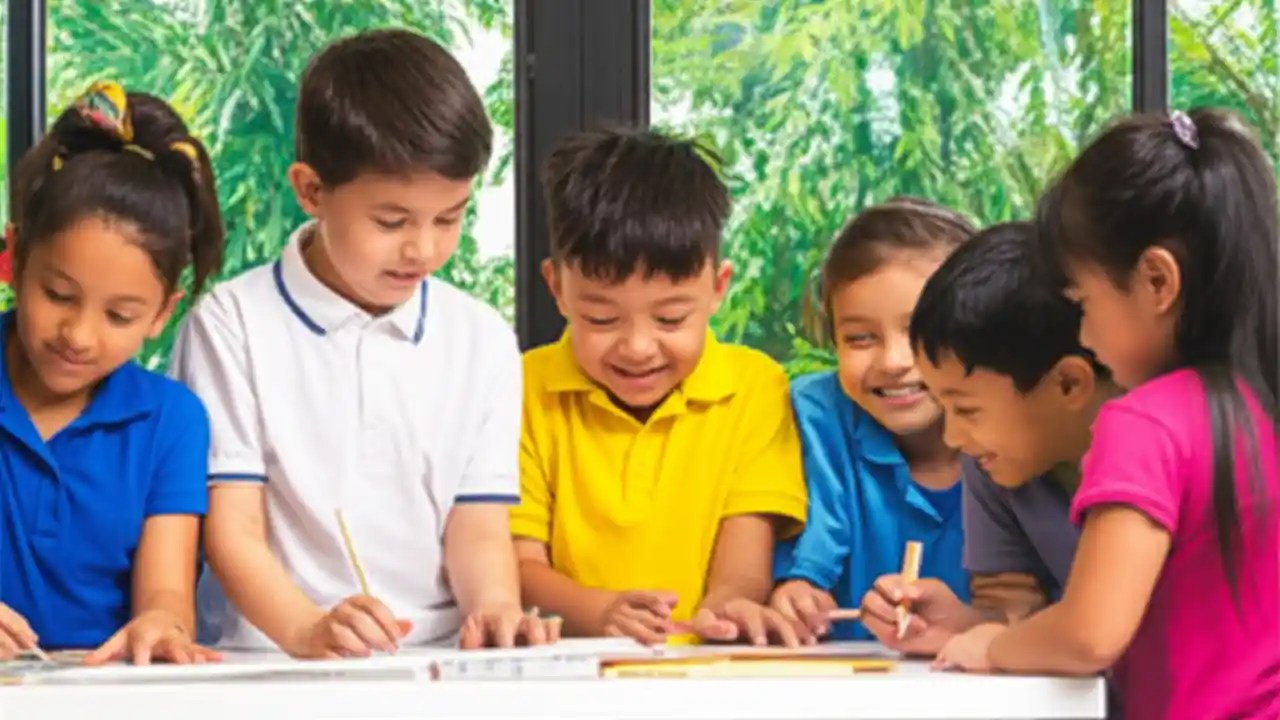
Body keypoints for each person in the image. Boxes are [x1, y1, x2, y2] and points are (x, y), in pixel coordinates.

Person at [172, 29, 553, 658]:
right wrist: (306, 630)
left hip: (436, 656)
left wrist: (496, 611)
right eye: (391, 221)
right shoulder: (232, 323)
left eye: (450, 218)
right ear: (311, 190)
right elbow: (232, 527)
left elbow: (478, 523)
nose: (424, 249)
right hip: (272, 657)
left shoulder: (481, 339)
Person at [935, 110, 1279, 720]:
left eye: (1083, 302)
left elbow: (1089, 634)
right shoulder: (1262, 406)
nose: (1085, 335)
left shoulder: (1145, 423)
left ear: (1156, 281)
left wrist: (995, 647)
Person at [512, 128, 810, 646]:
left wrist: (727, 610)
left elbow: (744, 562)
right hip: (566, 675)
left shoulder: (755, 387)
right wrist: (598, 611)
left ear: (719, 288)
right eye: (602, 319)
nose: (637, 347)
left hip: (703, 672)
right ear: (557, 288)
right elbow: (516, 564)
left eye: (671, 319)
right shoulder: (523, 388)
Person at [0, 80, 223, 664]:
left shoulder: (171, 422)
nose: (77, 335)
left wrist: (162, 624)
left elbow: (167, 593)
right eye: (57, 294)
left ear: (161, 313)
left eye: (120, 315)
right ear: (12, 259)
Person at [860, 221, 1119, 656]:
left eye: (966, 410)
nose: (953, 436)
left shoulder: (1158, 447)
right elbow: (1017, 615)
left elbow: (1091, 637)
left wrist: (994, 647)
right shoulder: (992, 463)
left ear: (1070, 385)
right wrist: (961, 627)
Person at [768, 198, 975, 641]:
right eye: (860, 338)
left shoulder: (1020, 431)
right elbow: (813, 554)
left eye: (920, 332)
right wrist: (799, 592)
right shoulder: (817, 416)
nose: (894, 361)